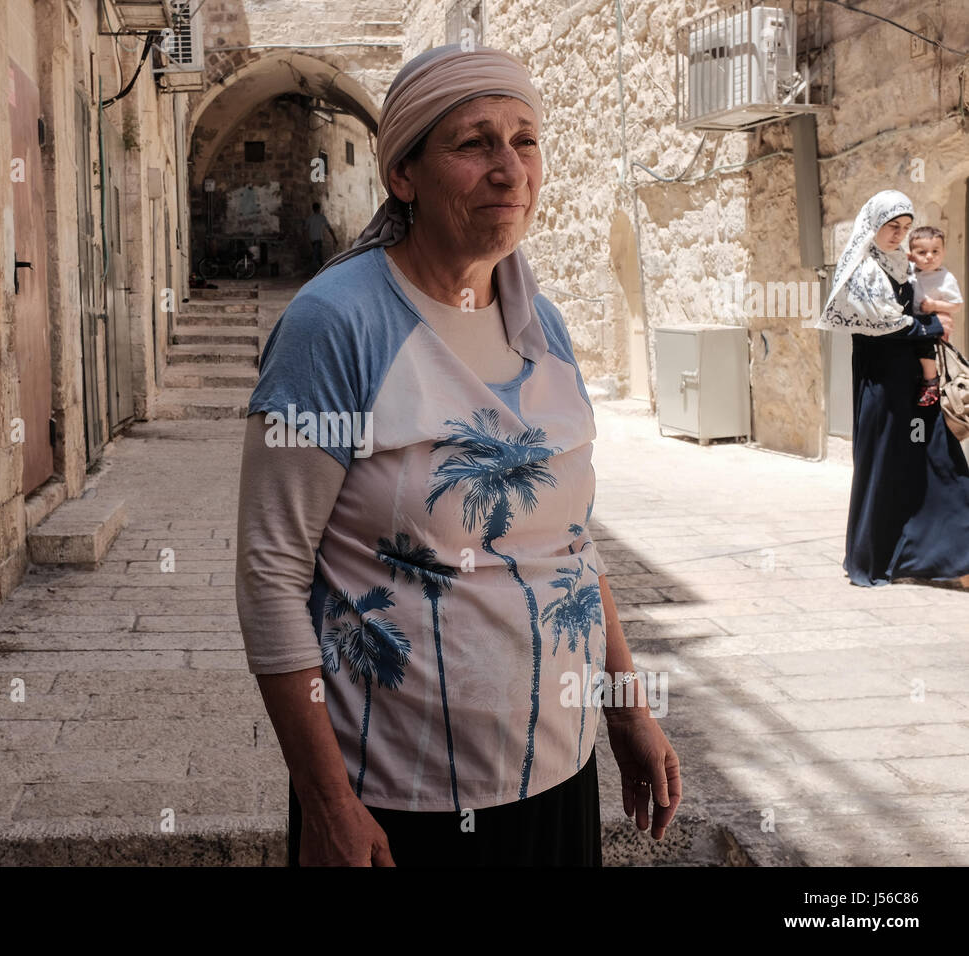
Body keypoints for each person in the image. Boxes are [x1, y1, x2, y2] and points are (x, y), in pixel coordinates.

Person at [235, 43, 680, 867]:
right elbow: (271, 577)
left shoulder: (543, 326)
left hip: (558, 767)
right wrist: (330, 805)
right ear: (404, 176)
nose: (510, 170)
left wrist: (627, 708)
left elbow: (573, 542)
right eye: (475, 144)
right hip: (402, 797)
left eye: (525, 141)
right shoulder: (335, 326)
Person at [813, 190, 969, 587]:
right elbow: (885, 325)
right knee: (884, 466)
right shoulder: (862, 270)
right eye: (891, 227)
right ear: (873, 225)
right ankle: (877, 559)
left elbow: (912, 315)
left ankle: (951, 556)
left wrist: (929, 364)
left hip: (917, 383)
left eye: (904, 228)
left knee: (938, 457)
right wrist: (933, 327)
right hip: (883, 386)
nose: (898, 235)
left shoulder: (900, 265)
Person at [907, 225, 963, 406]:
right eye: (922, 252)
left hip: (931, 323)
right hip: (913, 321)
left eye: (935, 251)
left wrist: (935, 305)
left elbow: (957, 305)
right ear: (911, 254)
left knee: (925, 347)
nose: (929, 256)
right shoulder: (911, 271)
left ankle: (931, 380)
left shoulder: (945, 278)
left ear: (944, 252)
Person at [303, 202, 338, 275]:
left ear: (313, 209)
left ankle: (322, 270)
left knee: (318, 255)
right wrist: (334, 238)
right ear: (319, 208)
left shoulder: (310, 218)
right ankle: (312, 271)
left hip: (312, 239)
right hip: (318, 239)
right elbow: (329, 228)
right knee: (316, 256)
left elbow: (305, 229)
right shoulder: (322, 217)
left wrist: (306, 240)